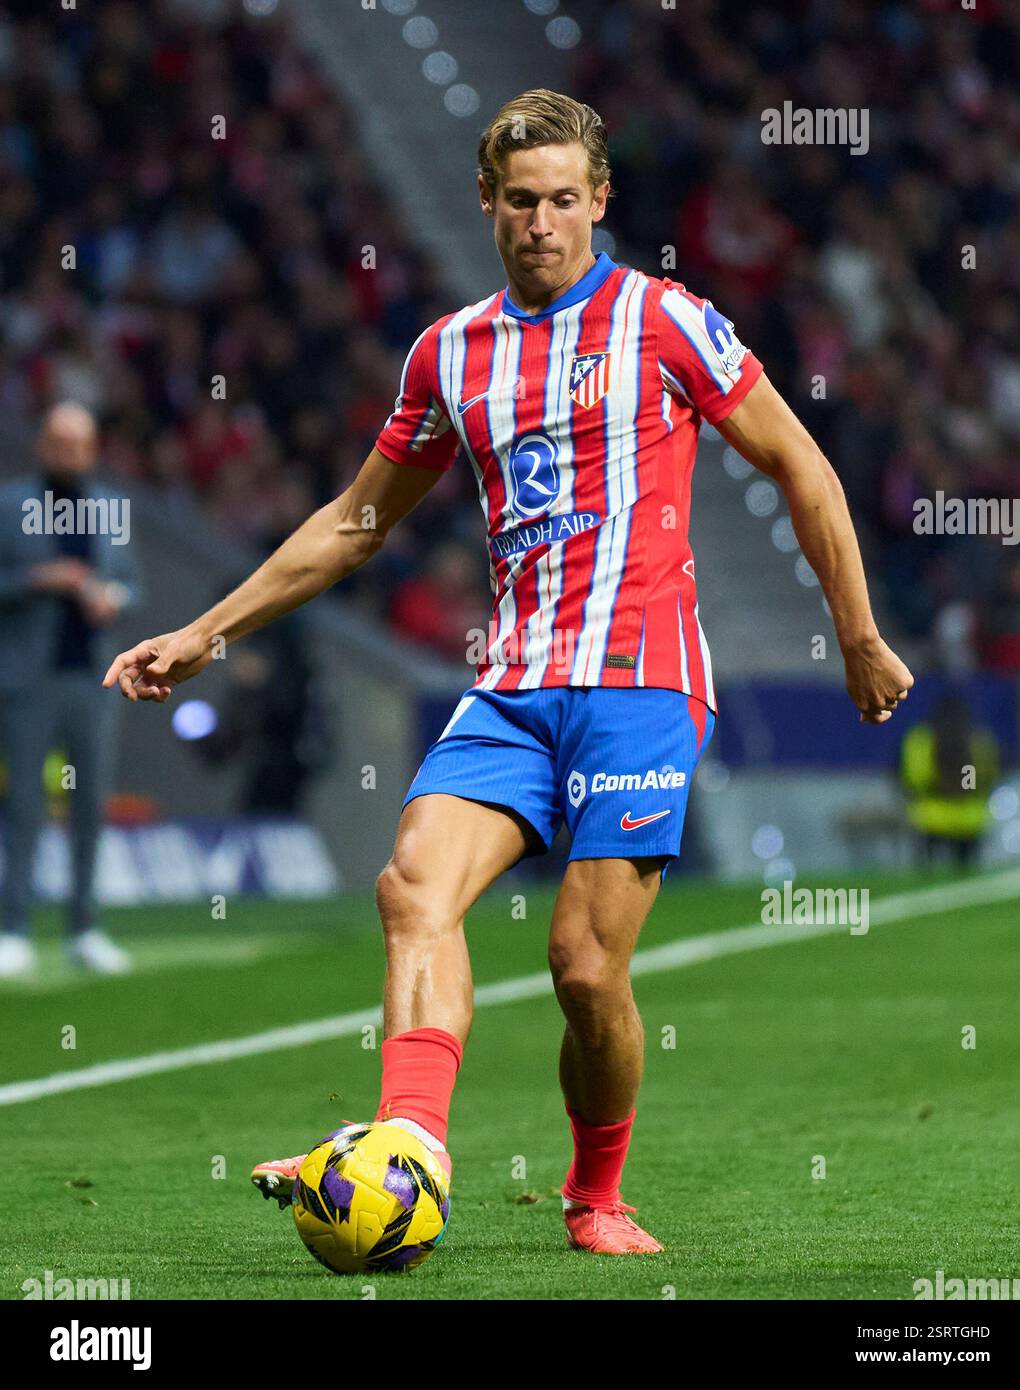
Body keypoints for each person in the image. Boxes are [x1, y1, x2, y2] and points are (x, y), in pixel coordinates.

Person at [104, 90, 913, 1255]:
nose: (543, 221)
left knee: (581, 968)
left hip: (639, 684)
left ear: (598, 202)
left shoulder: (665, 322)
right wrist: (203, 632)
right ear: (486, 202)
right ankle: (407, 1146)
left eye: (564, 201)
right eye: (521, 200)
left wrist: (857, 633)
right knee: (409, 891)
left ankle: (595, 1193)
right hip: (512, 684)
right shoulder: (448, 353)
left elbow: (800, 463)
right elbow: (353, 522)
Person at [0, 402, 140, 977]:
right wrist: (38, 579)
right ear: (42, 445)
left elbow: (133, 584)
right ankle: (13, 928)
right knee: (25, 804)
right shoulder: (10, 506)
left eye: (78, 443)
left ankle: (85, 927)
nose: (68, 453)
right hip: (29, 680)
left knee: (90, 804)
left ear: (92, 449)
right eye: (58, 441)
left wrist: (114, 597)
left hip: (94, 678)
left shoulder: (110, 509)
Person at [900, 693, 998, 867]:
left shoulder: (920, 738)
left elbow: (915, 778)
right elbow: (987, 775)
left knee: (926, 873)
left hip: (930, 815)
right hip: (970, 815)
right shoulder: (978, 738)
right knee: (966, 873)